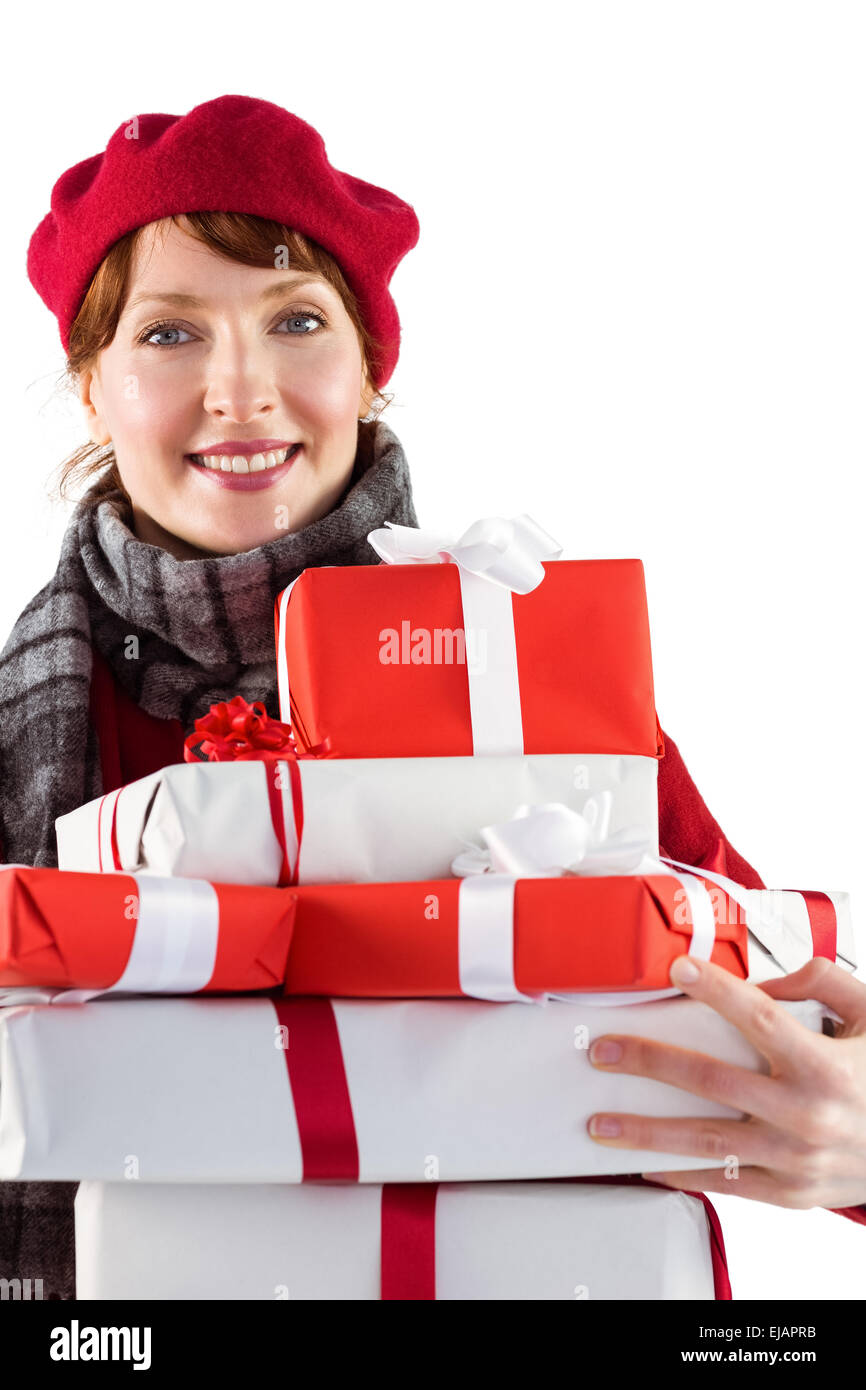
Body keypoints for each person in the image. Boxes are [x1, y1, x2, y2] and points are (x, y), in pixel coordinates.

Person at [0, 95, 862, 1303]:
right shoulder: (20, 728)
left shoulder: (525, 678)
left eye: (295, 320)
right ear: (91, 386)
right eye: (168, 333)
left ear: (368, 371)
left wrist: (855, 1137)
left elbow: (764, 992)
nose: (240, 390)